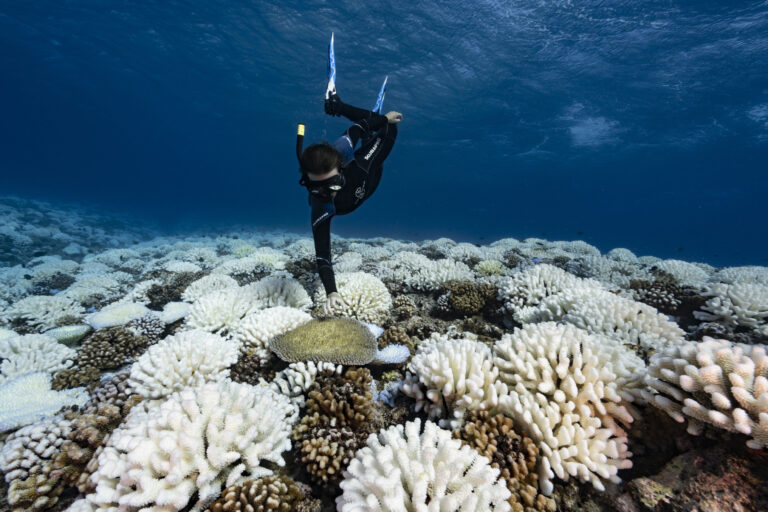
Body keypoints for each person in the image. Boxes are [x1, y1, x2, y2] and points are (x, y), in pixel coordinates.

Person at [298, 92, 402, 315]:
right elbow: (322, 254)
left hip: (369, 170)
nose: (325, 193)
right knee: (374, 125)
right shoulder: (320, 205)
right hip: (361, 185)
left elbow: (359, 125)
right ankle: (374, 123)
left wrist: (383, 119)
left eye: (331, 184)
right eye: (316, 188)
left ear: (341, 169)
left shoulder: (343, 150)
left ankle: (342, 107)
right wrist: (331, 292)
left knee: (387, 127)